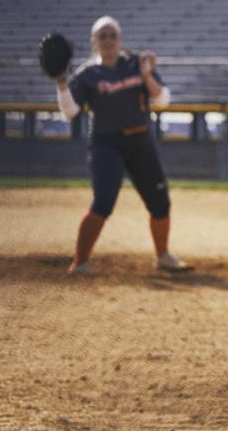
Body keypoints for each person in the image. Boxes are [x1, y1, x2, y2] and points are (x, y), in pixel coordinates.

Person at [53, 16, 191, 276]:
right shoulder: (87, 75)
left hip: (140, 141)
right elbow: (70, 112)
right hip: (107, 143)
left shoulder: (137, 63)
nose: (108, 41)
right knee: (103, 202)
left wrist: (147, 76)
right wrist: (61, 84)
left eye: (112, 35)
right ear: (93, 42)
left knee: (160, 203)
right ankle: (79, 262)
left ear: (120, 39)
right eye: (102, 36)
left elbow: (162, 101)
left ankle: (163, 256)